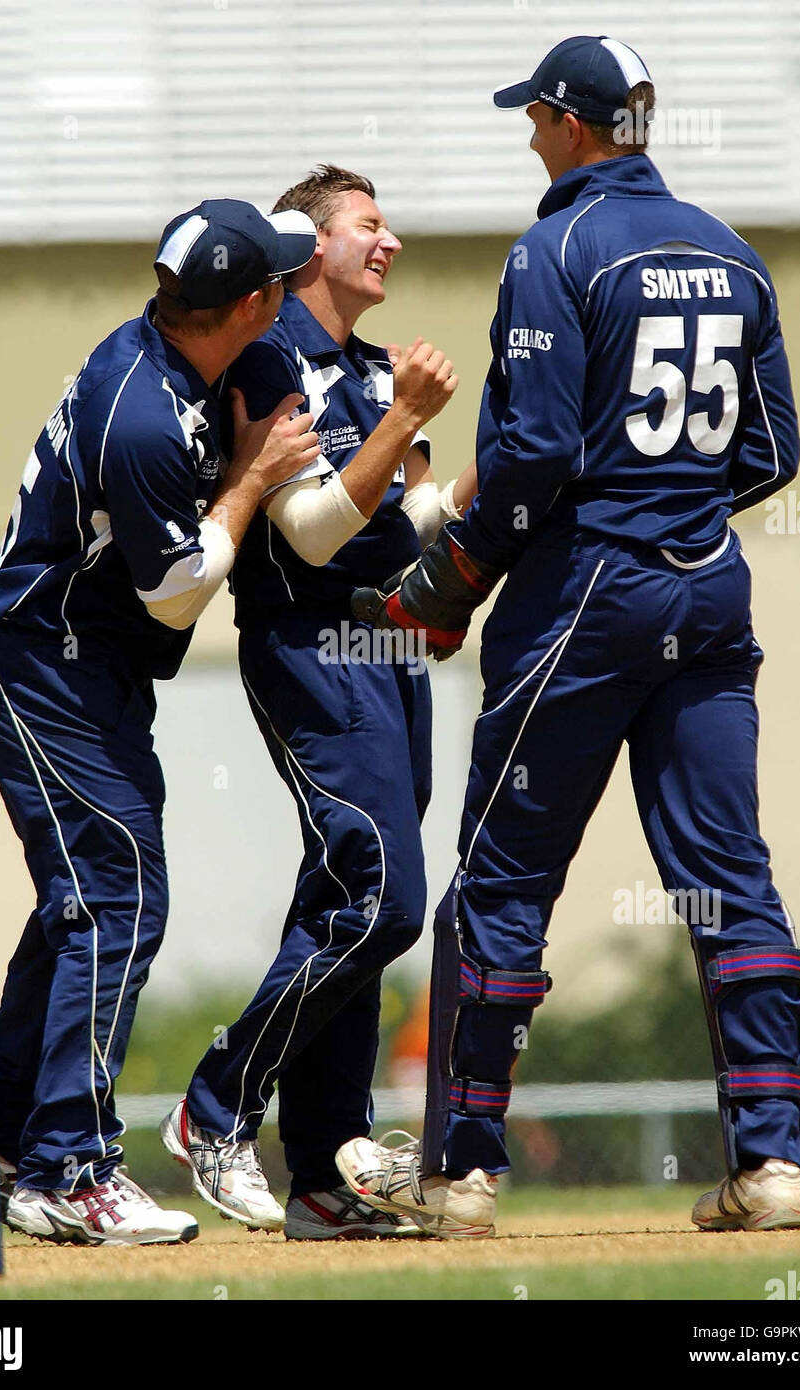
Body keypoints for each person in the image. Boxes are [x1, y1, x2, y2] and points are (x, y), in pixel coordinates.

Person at [335, 36, 800, 1239]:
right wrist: (676, 508)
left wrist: (450, 578)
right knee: (726, 879)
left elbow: (535, 457)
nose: (527, 134)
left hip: (588, 596)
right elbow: (774, 449)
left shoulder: (553, 248)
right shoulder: (734, 251)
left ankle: (461, 1171)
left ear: (569, 121)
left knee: (498, 881)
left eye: (534, 117)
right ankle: (773, 1164)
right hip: (710, 592)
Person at [0, 199, 320, 1245]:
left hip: (81, 671)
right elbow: (177, 591)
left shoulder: (177, 355)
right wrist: (247, 482)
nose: (288, 297)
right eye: (279, 283)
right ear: (246, 303)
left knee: (81, 898)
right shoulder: (143, 414)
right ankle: (69, 1166)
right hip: (39, 664)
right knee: (119, 891)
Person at [160, 166, 474, 1240]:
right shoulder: (269, 356)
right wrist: (408, 418)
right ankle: (215, 1100)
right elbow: (310, 531)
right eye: (368, 227)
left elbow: (408, 516)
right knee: (384, 896)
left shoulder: (372, 363)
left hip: (385, 646)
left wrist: (503, 461)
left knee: (351, 897)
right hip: (311, 643)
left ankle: (326, 1170)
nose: (389, 242)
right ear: (313, 243)